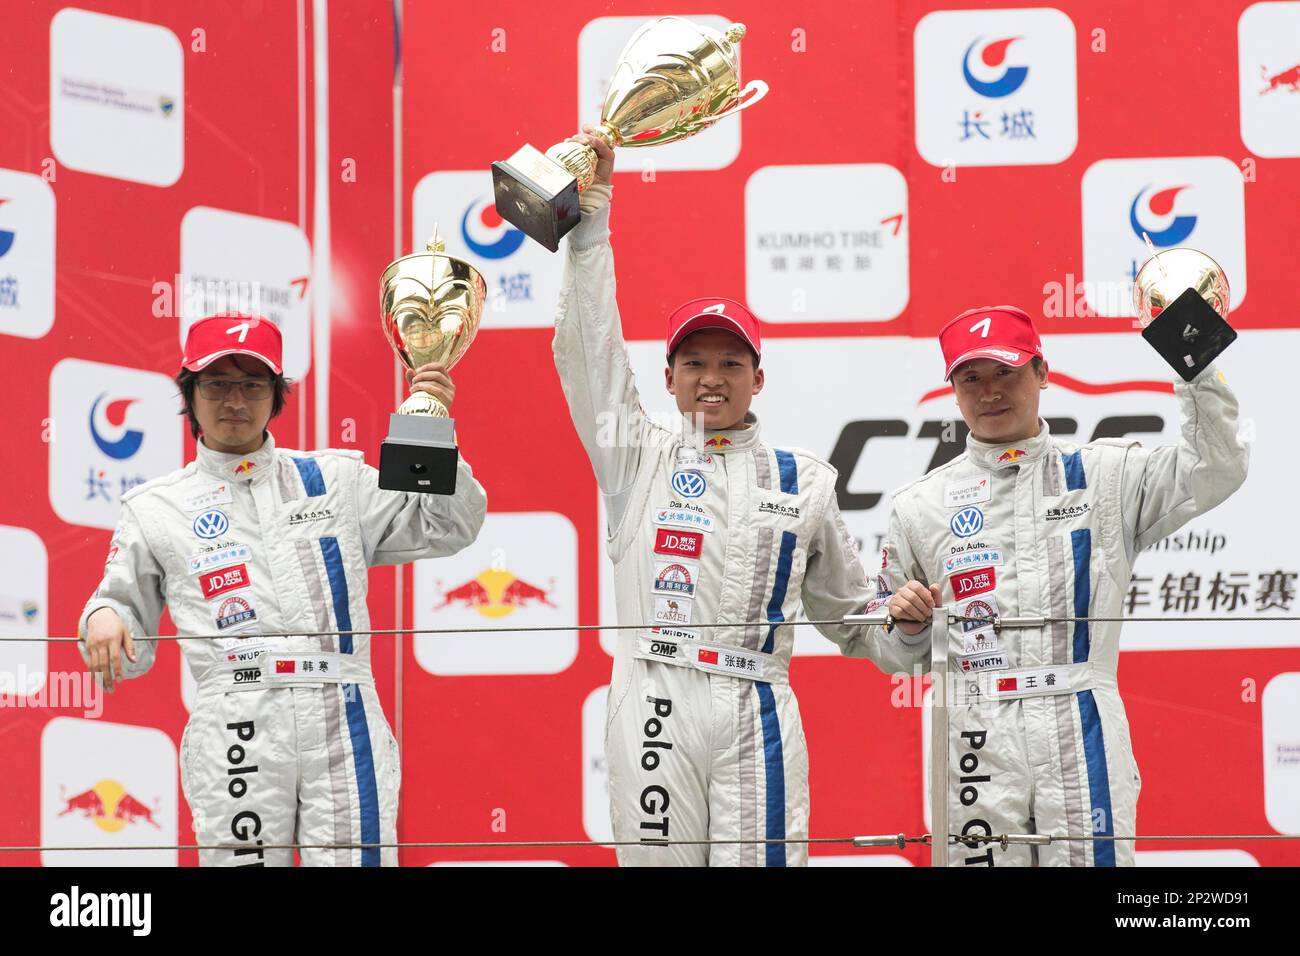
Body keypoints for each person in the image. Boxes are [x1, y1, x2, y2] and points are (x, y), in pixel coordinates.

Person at [552, 129, 927, 867]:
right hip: (655, 702)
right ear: (667, 380)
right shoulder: (634, 452)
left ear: (760, 377)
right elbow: (588, 352)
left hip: (757, 707)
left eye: (731, 361)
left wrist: (907, 628)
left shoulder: (806, 481)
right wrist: (590, 226)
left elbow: (857, 622)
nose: (711, 377)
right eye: (693, 362)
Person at [79, 313, 487, 866]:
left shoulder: (338, 479)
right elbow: (123, 617)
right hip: (237, 724)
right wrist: (104, 616)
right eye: (217, 383)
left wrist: (430, 431)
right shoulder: (156, 507)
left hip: (343, 717)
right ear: (189, 393)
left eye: (253, 383)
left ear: (277, 395)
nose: (235, 401)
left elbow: (446, 526)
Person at [876, 304, 1248, 866]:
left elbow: (1218, 465)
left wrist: (1189, 351)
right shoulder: (917, 506)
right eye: (971, 378)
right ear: (952, 390)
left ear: (1042, 373)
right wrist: (905, 629)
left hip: (1082, 722)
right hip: (974, 730)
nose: (990, 392)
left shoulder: (1108, 475)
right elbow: (892, 652)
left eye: (1006, 372)